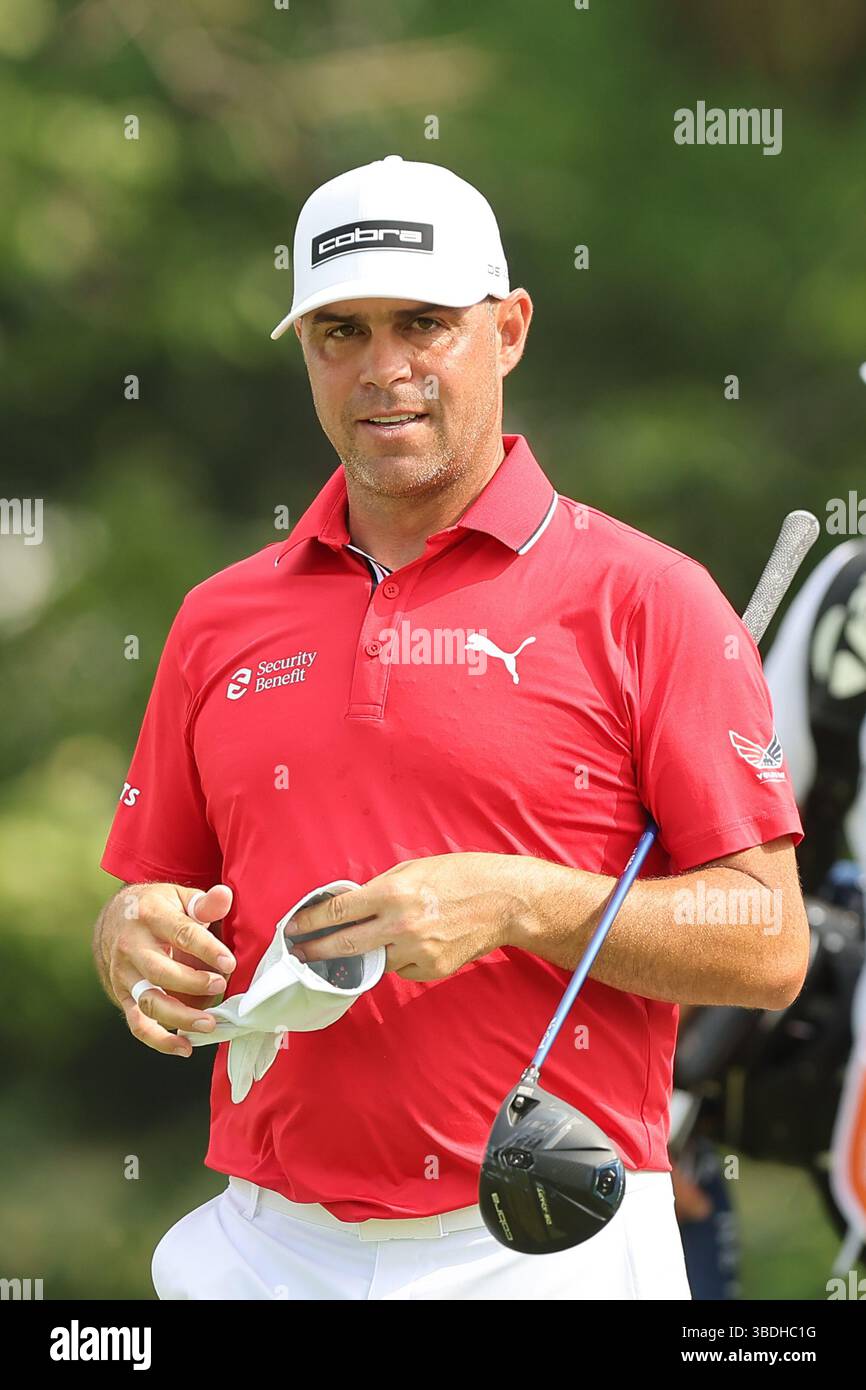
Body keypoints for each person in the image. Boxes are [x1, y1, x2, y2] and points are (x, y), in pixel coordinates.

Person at [92, 154, 809, 1301]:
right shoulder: (216, 617)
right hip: (262, 1246)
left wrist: (519, 902)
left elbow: (768, 943)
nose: (382, 371)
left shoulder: (648, 598)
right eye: (339, 332)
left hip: (543, 1247)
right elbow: (156, 894)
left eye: (422, 323)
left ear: (508, 328)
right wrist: (130, 936)